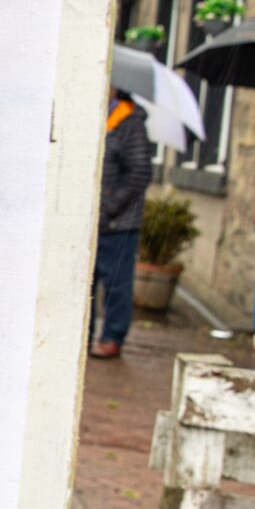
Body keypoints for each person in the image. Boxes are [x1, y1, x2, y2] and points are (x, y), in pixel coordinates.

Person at [89, 86, 151, 359]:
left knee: (116, 284)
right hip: (92, 221)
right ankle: (84, 336)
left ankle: (112, 337)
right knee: (86, 285)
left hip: (118, 223)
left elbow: (139, 173)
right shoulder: (95, 116)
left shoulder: (129, 121)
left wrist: (108, 208)